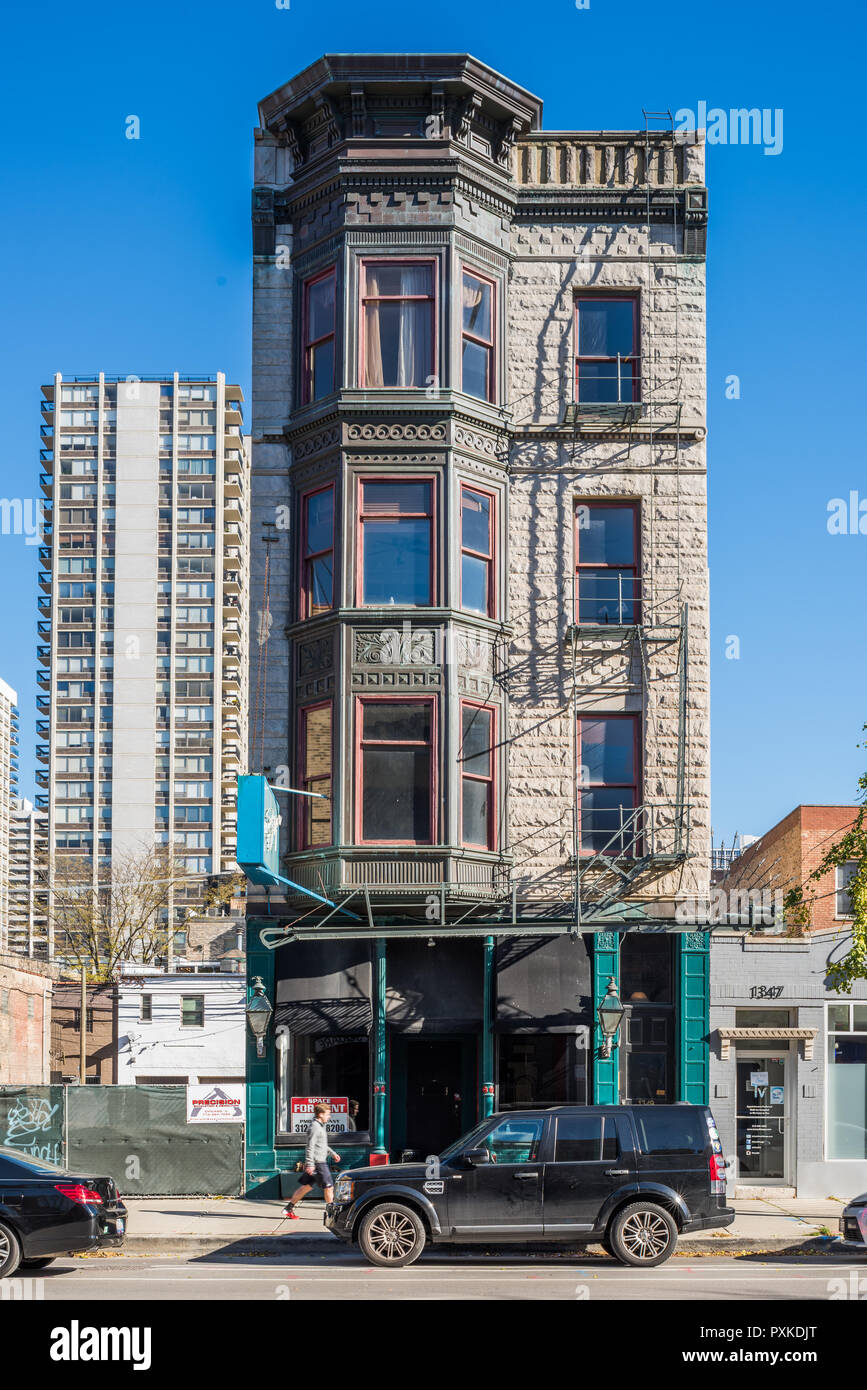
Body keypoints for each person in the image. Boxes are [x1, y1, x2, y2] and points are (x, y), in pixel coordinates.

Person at [282, 1102, 341, 1219]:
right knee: (329, 1187)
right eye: (327, 1114)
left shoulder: (319, 1126)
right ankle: (332, 1214)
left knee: (306, 1187)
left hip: (317, 1163)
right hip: (318, 1163)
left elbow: (321, 1145)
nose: (329, 1117)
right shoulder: (314, 1127)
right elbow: (310, 1146)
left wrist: (333, 1153)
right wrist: (310, 1164)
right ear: (320, 1114)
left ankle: (288, 1208)